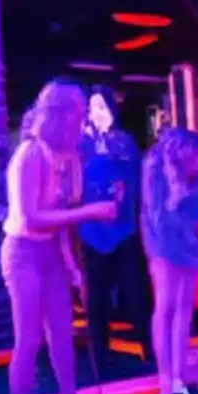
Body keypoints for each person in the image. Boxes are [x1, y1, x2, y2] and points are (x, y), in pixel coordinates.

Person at [1, 79, 119, 394]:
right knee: (30, 335)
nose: (80, 121)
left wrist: (71, 266)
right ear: (56, 114)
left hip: (51, 251)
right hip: (22, 251)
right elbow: (32, 217)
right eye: (76, 113)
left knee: (62, 331)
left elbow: (62, 221)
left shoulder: (69, 159)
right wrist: (90, 211)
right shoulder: (29, 154)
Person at [141, 127, 198, 394]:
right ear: (180, 153)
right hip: (161, 240)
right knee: (166, 306)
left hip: (185, 239)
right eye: (194, 158)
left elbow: (197, 215)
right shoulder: (155, 166)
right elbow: (157, 217)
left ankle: (178, 377)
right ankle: (165, 377)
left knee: (184, 307)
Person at [78, 86, 152, 368]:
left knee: (135, 292)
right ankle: (100, 358)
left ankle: (150, 350)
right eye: (92, 108)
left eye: (102, 108)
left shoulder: (124, 143)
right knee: (96, 298)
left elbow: (135, 183)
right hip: (92, 233)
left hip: (124, 231)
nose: (97, 114)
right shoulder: (79, 146)